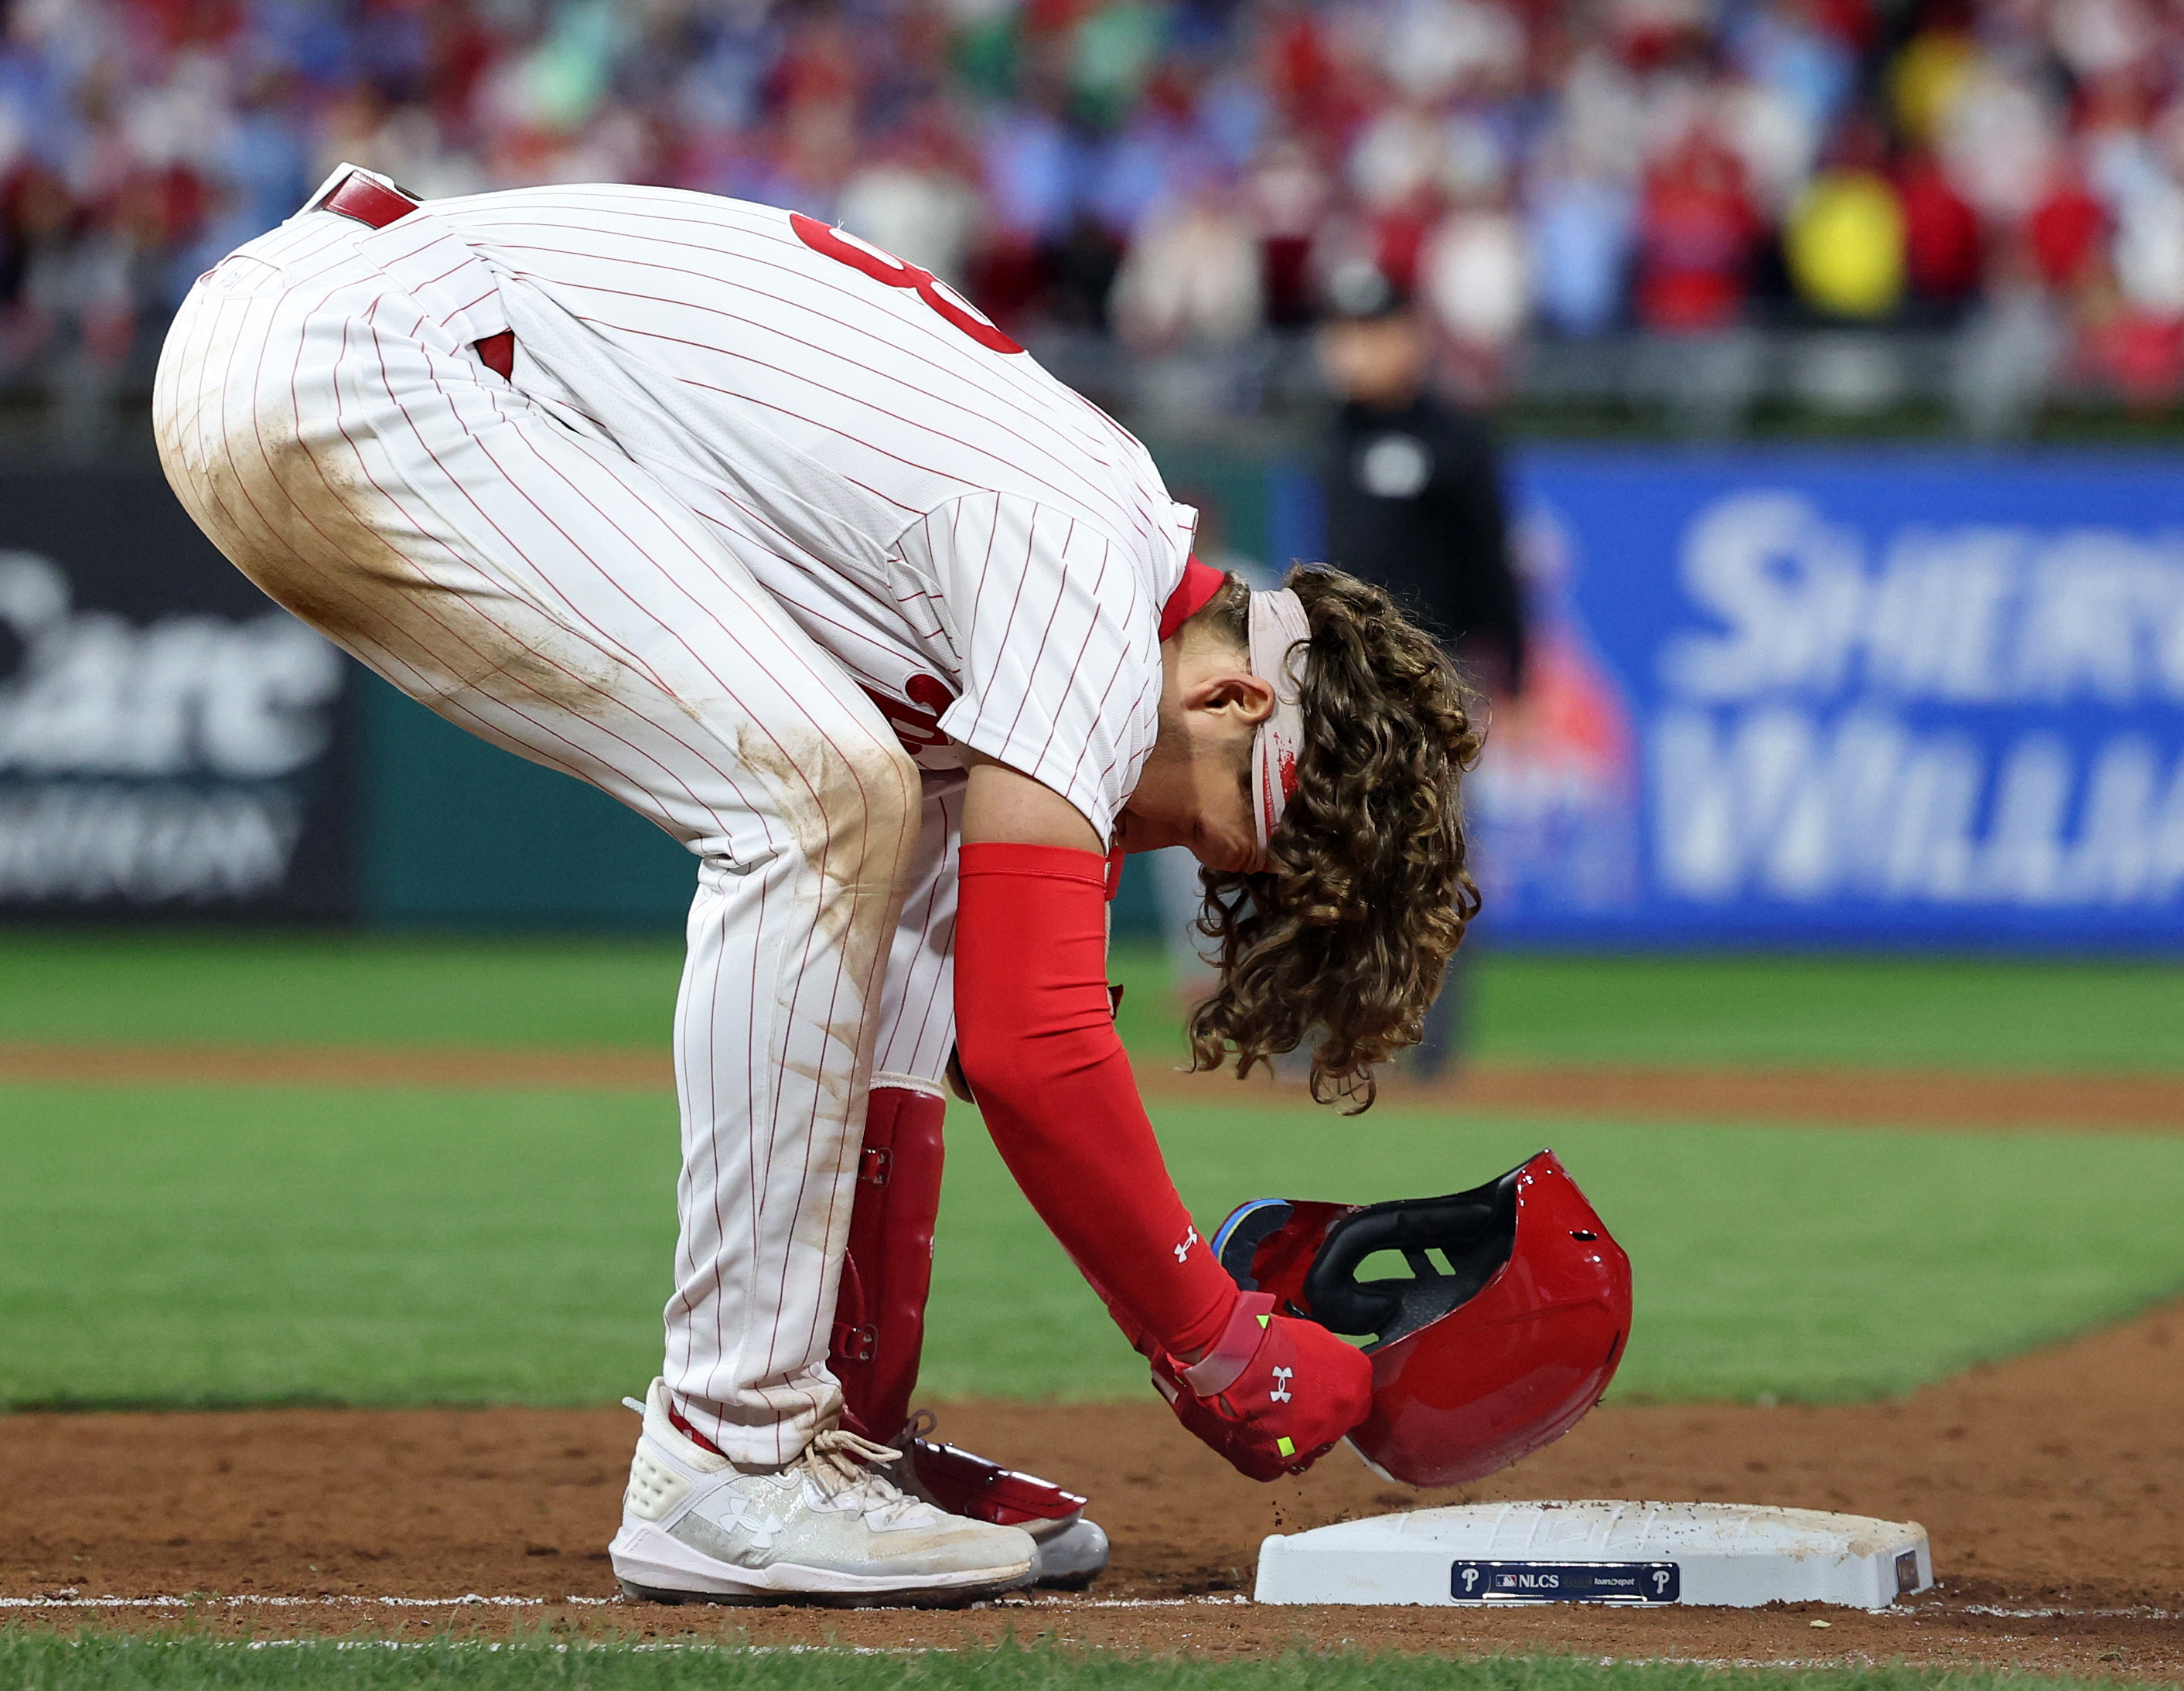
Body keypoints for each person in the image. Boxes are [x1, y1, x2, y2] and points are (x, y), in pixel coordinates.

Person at [155, 166, 1481, 1607]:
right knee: (817, 790)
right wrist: (1212, 1336)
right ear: (1228, 696)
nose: (1166, 846)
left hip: (373, 355)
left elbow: (932, 1006)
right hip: (370, 356)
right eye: (1221, 827)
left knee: (873, 814)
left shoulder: (1056, 598)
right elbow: (1031, 1045)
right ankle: (729, 1457)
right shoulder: (1086, 569)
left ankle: (819, 1444)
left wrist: (869, 1423)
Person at [1311, 260, 1526, 1079]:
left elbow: (1493, 563)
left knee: (1430, 855)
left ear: (1410, 337)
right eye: (1342, 334)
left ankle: (1430, 1049)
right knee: (1328, 847)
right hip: (1343, 675)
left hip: (1435, 678)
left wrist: (1514, 671)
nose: (1352, 351)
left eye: (1370, 333)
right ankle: (1321, 1033)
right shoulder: (1334, 431)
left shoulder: (1453, 436)